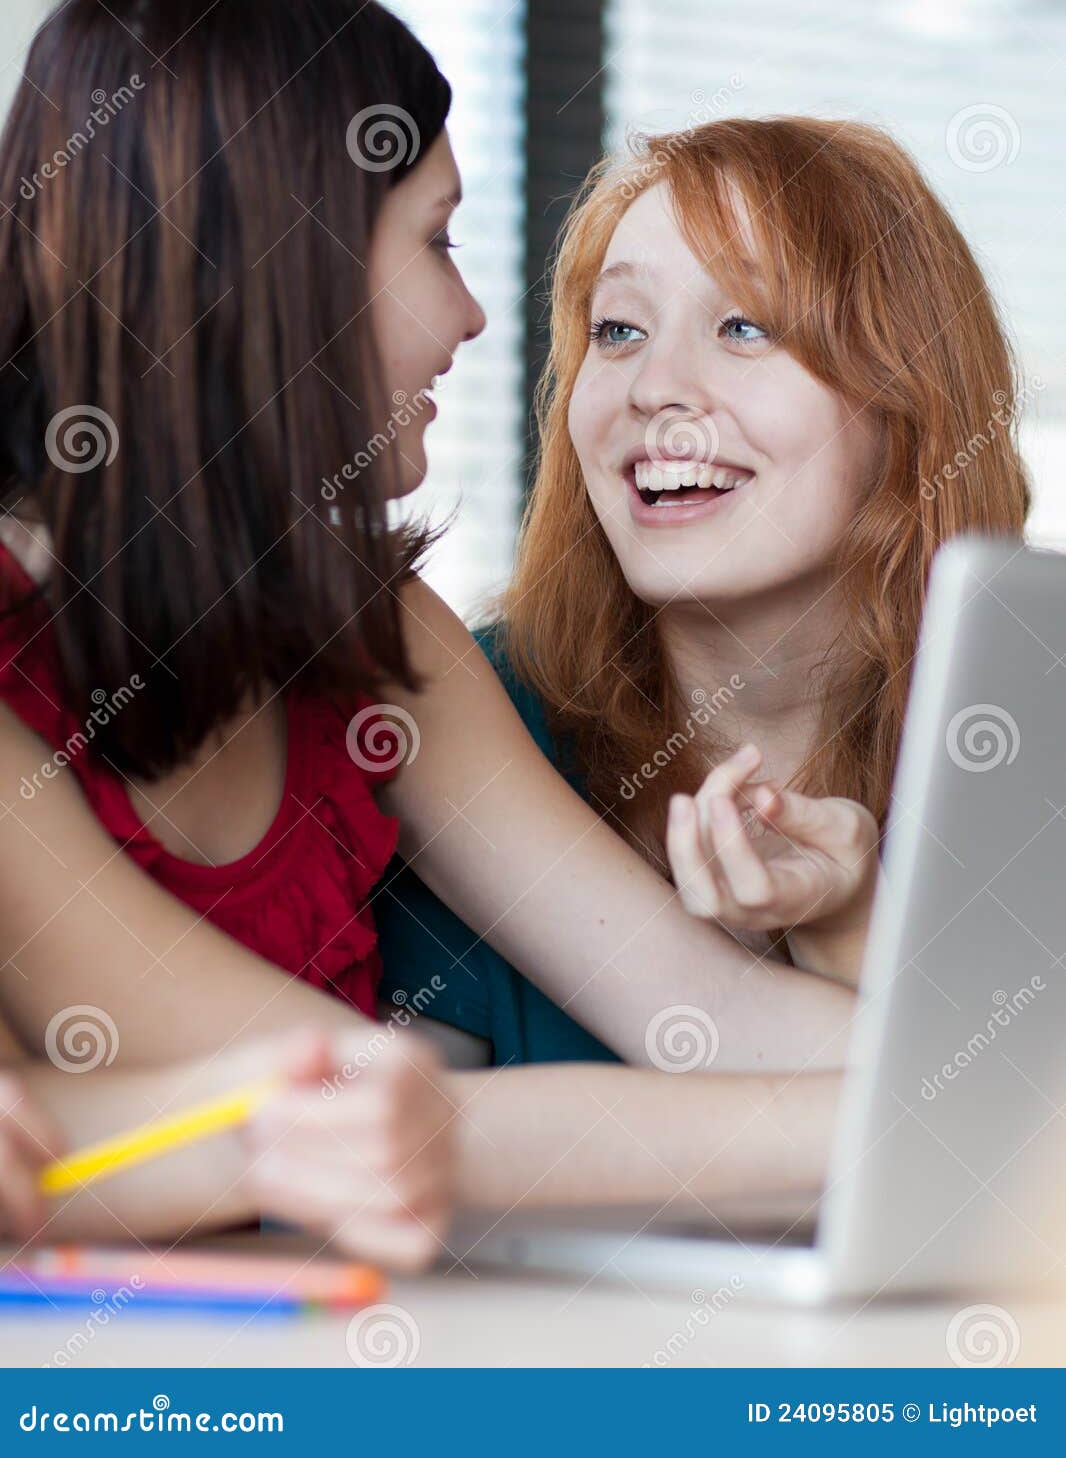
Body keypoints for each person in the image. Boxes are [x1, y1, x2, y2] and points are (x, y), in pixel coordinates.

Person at [0, 0, 876, 1251]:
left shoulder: (377, 629)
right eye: (436, 240)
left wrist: (970, 1097)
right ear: (278, 266)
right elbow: (351, 1110)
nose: (471, 317)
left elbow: (698, 1010)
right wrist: (951, 1120)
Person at [377, 114, 1032, 1065]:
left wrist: (848, 929)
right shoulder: (474, 722)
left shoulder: (1023, 747)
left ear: (908, 401)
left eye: (745, 326)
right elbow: (416, 1130)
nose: (654, 386)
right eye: (618, 330)